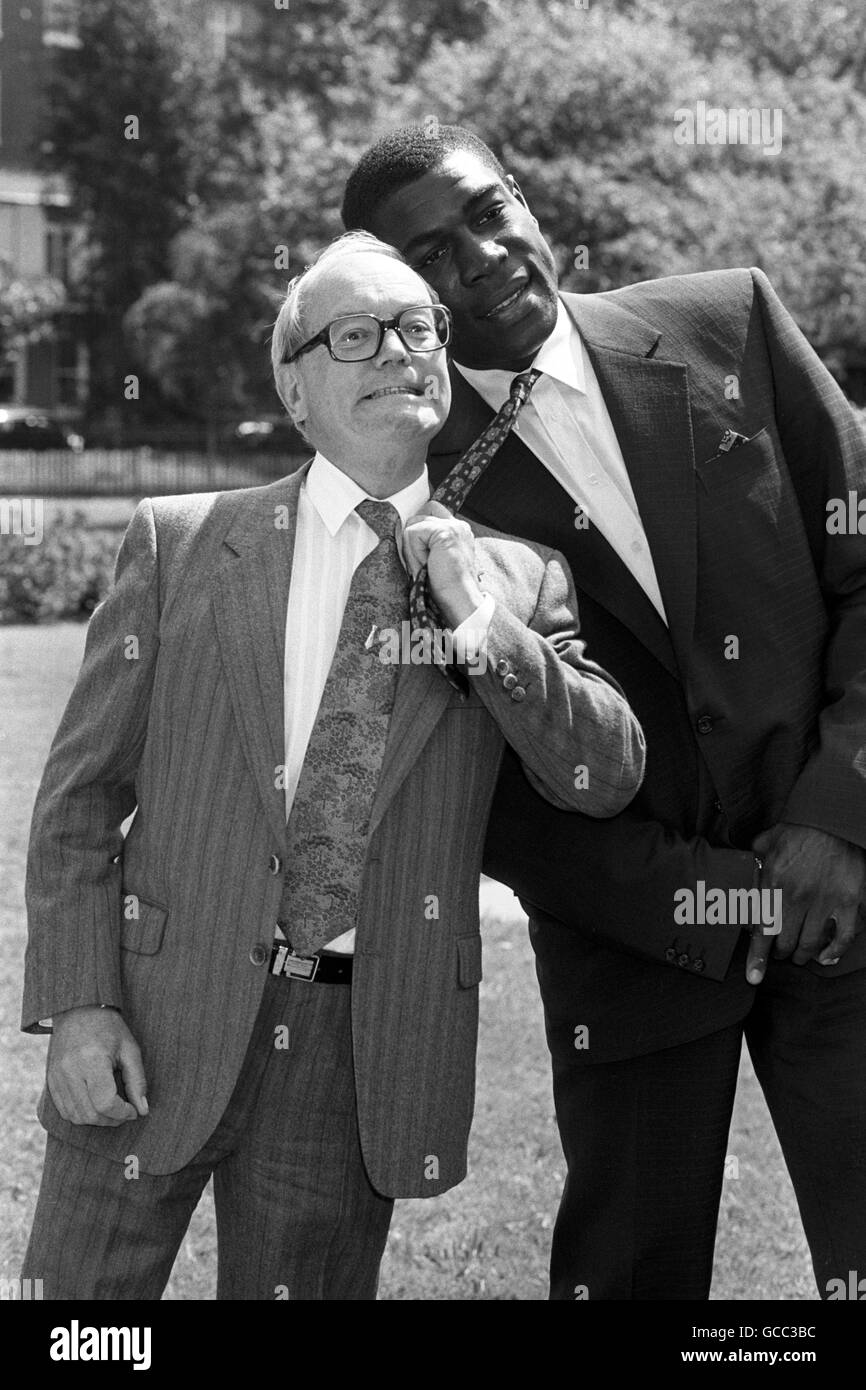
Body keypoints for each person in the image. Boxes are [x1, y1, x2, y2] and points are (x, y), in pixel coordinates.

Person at [19, 231, 644, 1301]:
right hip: (150, 1021)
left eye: (419, 330)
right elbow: (79, 801)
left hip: (353, 1051)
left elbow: (602, 774)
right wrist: (80, 1005)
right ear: (294, 388)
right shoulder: (179, 544)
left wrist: (482, 625)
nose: (398, 352)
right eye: (355, 334)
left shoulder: (516, 580)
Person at [342, 126, 866, 1300]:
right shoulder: (408, 500)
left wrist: (837, 821)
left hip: (847, 902)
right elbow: (477, 794)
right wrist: (720, 898)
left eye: (484, 213)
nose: (477, 258)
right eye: (429, 256)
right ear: (395, 302)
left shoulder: (730, 322)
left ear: (522, 199)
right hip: (634, 953)